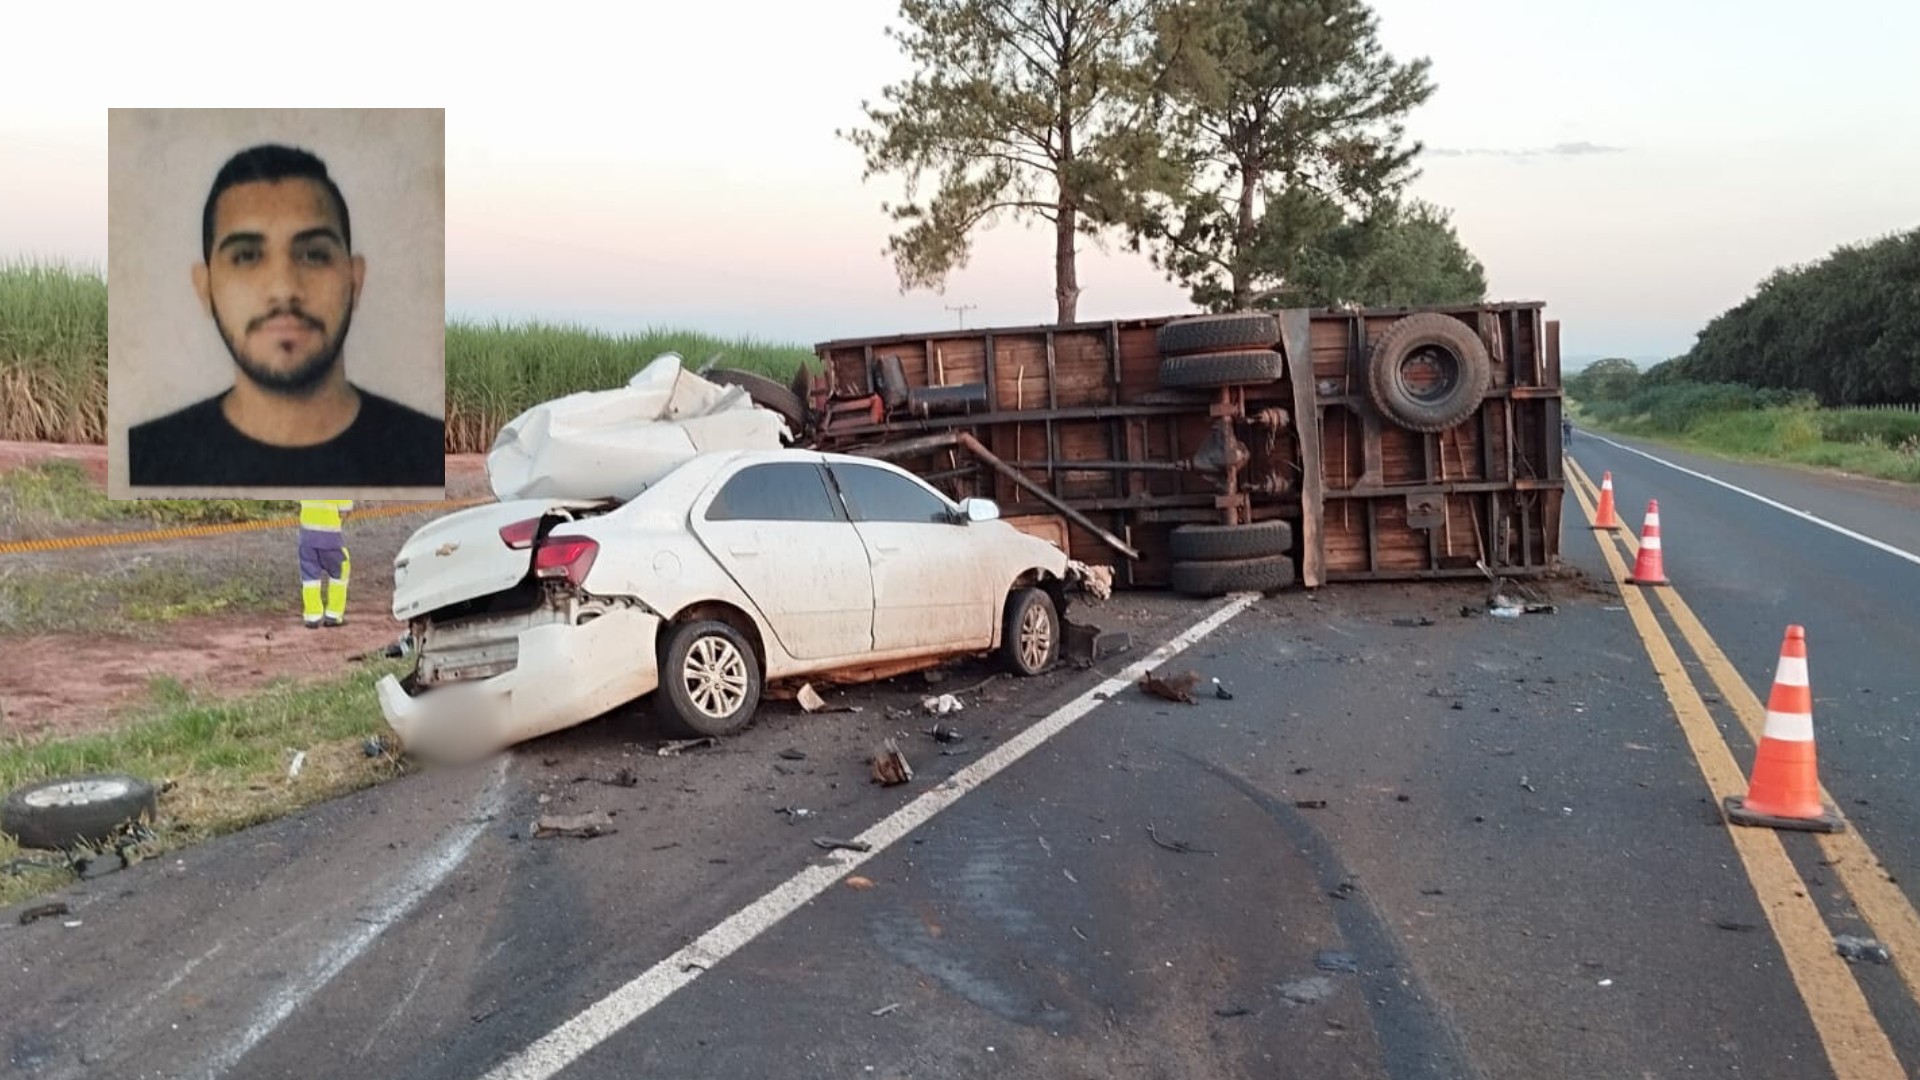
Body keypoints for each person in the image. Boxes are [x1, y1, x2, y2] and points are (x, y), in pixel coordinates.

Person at [126, 143, 444, 489]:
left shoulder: (427, 453)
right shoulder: (145, 458)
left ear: (355, 280)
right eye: (247, 256)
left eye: (313, 255)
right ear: (205, 288)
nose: (283, 288)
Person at [298, 499, 353, 628]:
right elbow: (345, 511)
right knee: (340, 572)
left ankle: (312, 616)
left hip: (306, 539)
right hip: (331, 539)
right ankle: (334, 614)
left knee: (309, 578)